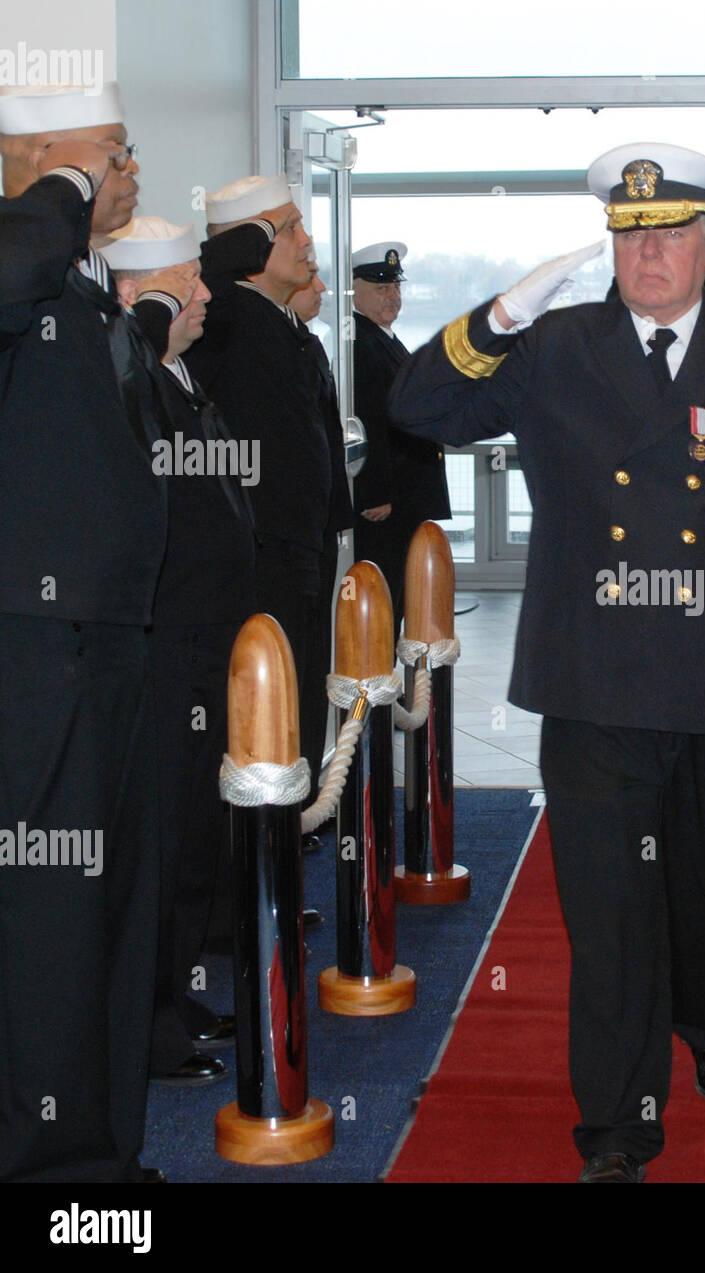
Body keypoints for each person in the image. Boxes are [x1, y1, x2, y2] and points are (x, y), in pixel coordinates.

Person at [388, 142, 705, 1183]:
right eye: (628, 234)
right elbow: (418, 411)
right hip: (593, 674)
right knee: (607, 909)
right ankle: (619, 1120)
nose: (648, 255)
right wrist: (493, 321)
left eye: (669, 234)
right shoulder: (554, 346)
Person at [0, 82, 169, 1181]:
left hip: (110, 631)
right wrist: (66, 179)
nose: (130, 169)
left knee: (112, 903)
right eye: (115, 151)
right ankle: (50, 1170)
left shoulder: (73, 282)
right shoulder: (20, 261)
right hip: (36, 635)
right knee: (52, 908)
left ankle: (99, 1151)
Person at [100, 215, 258, 1087]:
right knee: (161, 843)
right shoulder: (128, 379)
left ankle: (178, 993)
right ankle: (151, 1022)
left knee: (197, 833)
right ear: (137, 295)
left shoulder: (181, 370)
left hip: (210, 642)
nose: (205, 296)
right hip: (167, 647)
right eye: (185, 283)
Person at [186, 174, 353, 810]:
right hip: (256, 555)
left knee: (301, 701)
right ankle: (258, 868)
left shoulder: (278, 323)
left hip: (297, 548)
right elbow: (204, 278)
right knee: (268, 710)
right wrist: (240, 246)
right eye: (287, 228)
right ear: (248, 246)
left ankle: (283, 848)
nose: (307, 241)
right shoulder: (225, 315)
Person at [350, 241, 451, 625]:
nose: (392, 296)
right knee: (383, 603)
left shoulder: (383, 340)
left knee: (402, 601)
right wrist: (375, 490)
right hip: (386, 505)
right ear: (354, 291)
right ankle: (378, 685)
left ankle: (396, 684)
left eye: (395, 287)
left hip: (405, 497)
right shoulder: (359, 345)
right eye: (381, 288)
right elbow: (365, 420)